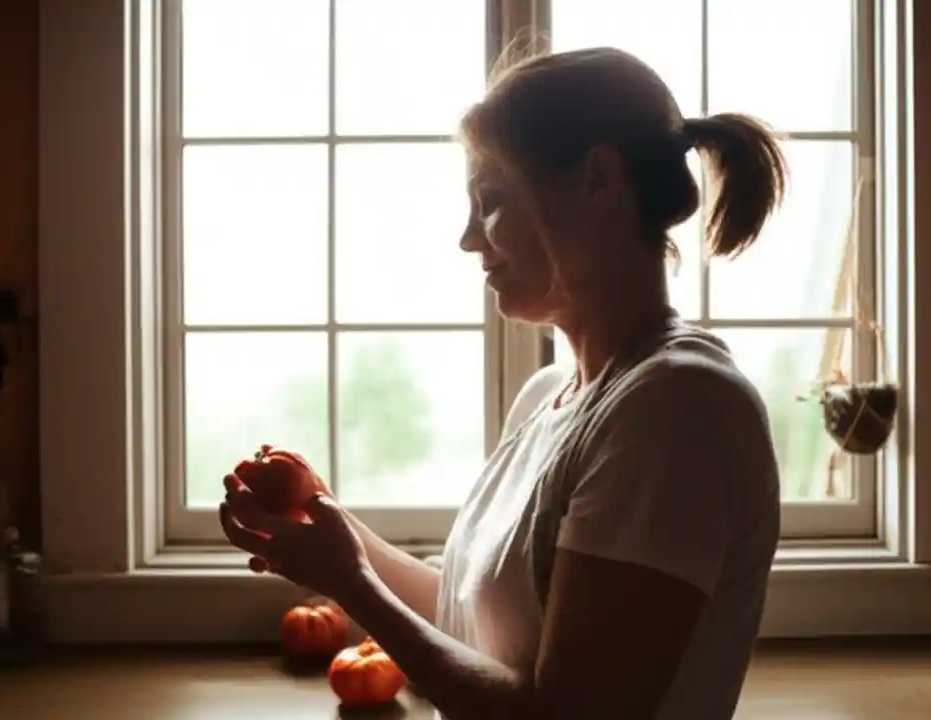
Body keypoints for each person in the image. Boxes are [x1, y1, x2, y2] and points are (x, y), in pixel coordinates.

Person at [220, 46, 784, 720]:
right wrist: (327, 523)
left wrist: (354, 586)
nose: (467, 238)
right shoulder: (551, 395)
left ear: (598, 183)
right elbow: (471, 626)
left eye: (489, 201)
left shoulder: (677, 410)